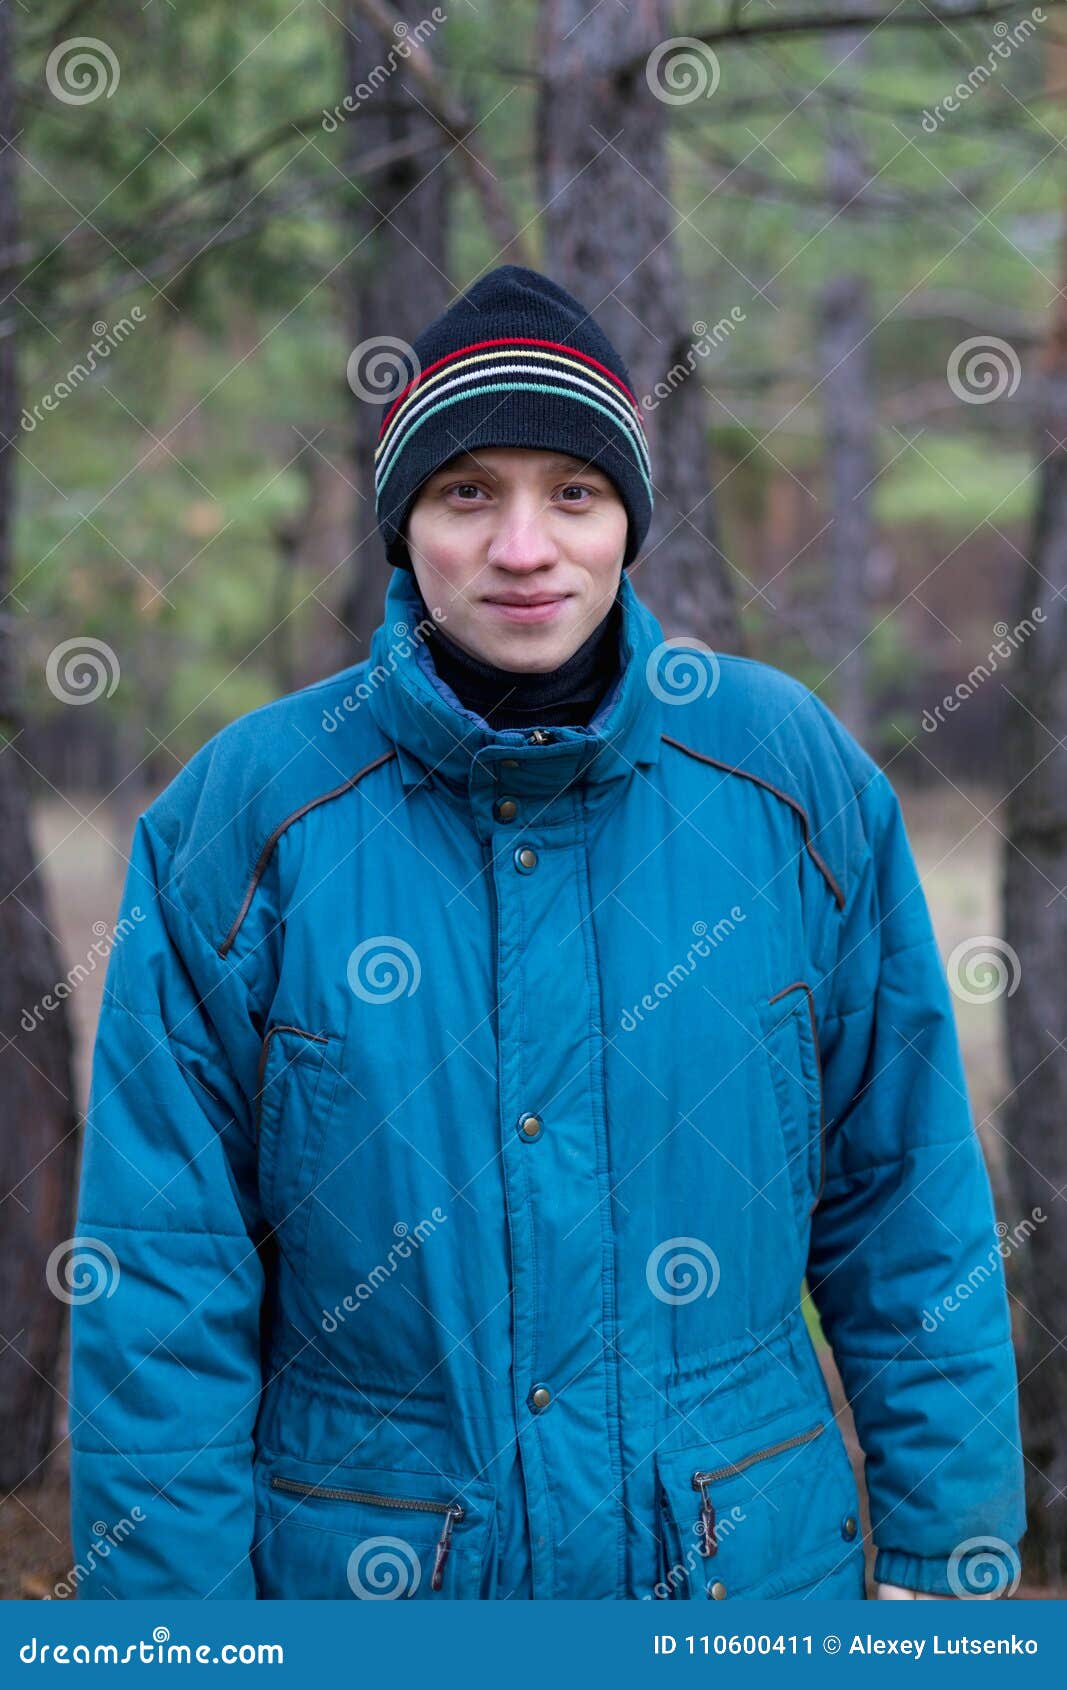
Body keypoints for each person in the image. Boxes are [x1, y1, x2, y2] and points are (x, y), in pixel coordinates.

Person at [68, 265, 1026, 1601]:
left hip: (740, 1580)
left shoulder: (787, 782)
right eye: (469, 494)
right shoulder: (249, 817)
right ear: (404, 526)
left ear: (629, 518)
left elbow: (907, 1198)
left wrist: (946, 1556)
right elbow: (164, 1277)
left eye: (573, 493)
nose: (525, 548)